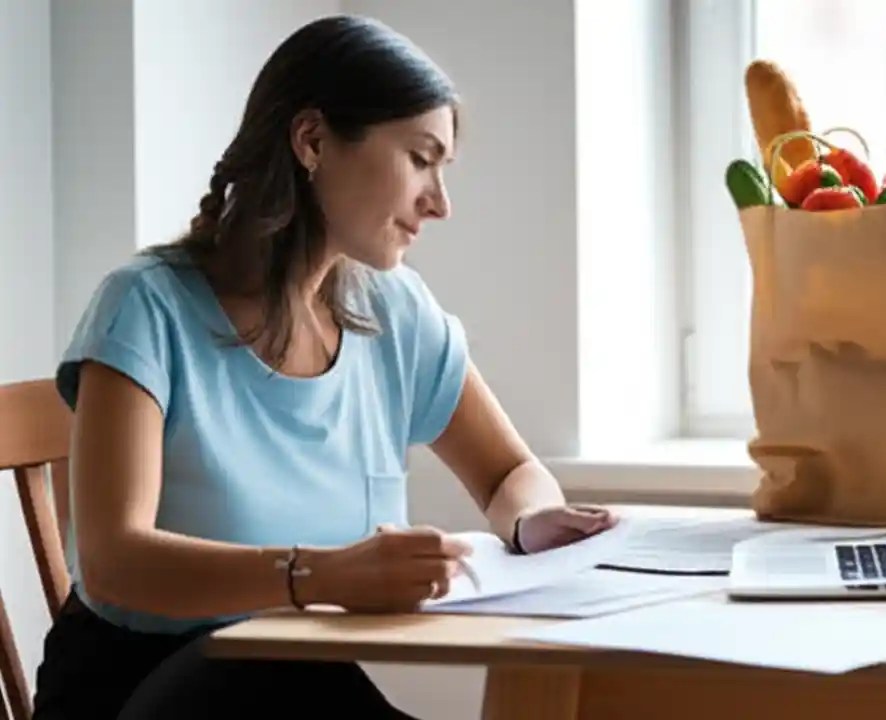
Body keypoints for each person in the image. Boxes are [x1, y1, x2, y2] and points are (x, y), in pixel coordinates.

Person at [31, 14, 617, 719]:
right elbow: (113, 561)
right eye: (420, 158)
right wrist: (318, 574)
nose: (439, 202)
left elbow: (509, 475)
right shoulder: (145, 308)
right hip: (135, 691)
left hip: (294, 687)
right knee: (267, 665)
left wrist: (532, 521)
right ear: (312, 141)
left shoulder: (394, 313)